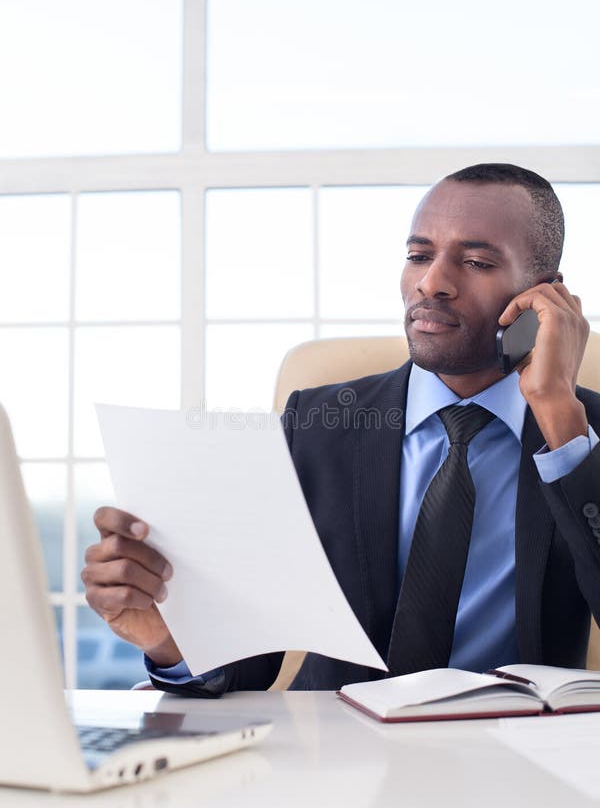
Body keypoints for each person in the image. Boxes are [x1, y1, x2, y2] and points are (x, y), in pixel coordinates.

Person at [83, 163, 600, 695]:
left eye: (475, 261)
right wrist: (168, 642)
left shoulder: (583, 436)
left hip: (520, 756)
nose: (431, 282)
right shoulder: (315, 427)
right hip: (338, 755)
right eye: (419, 256)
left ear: (545, 296)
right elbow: (252, 665)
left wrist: (558, 412)